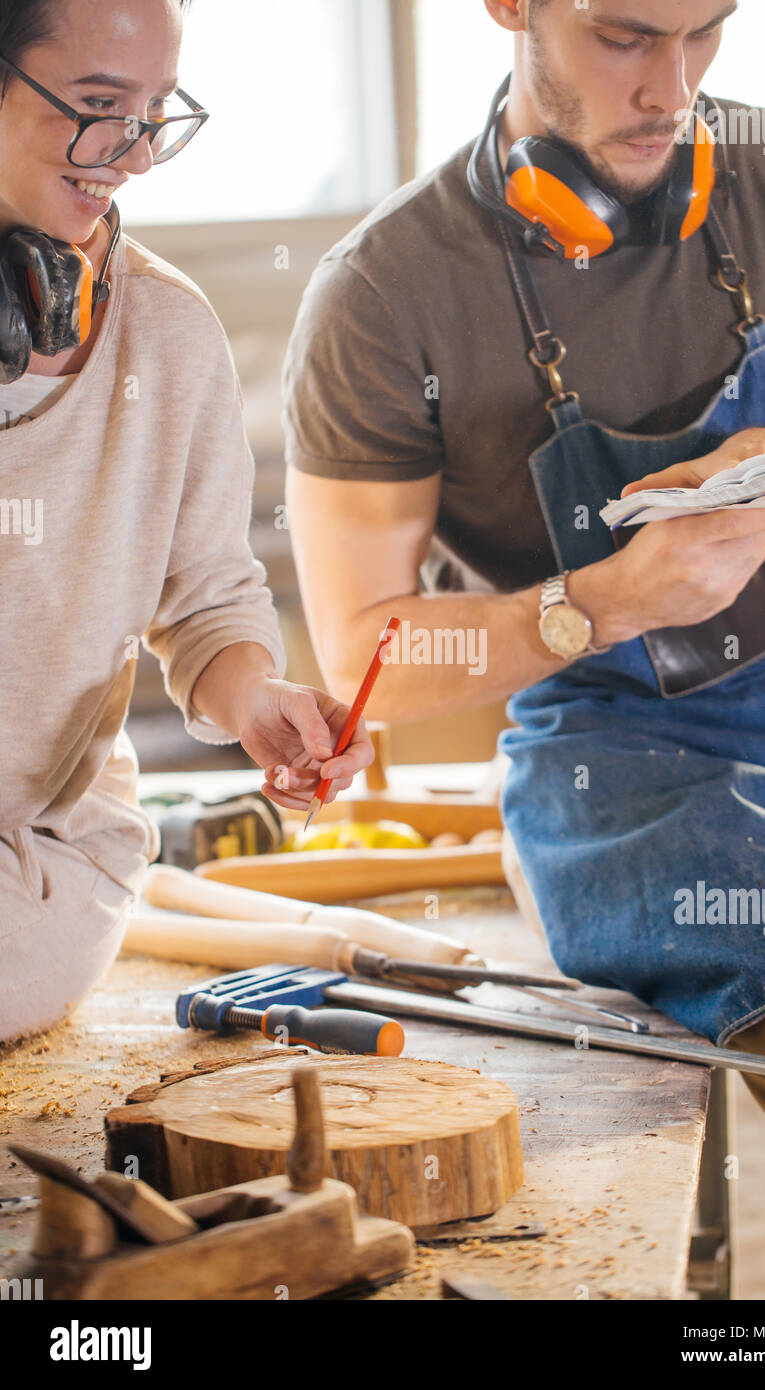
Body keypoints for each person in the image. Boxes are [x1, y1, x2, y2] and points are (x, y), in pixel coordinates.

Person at [282, 0, 765, 1298]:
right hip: (621, 774)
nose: (674, 86)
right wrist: (603, 596)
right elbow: (359, 655)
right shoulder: (388, 292)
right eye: (624, 36)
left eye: (705, 32)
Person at [0, 0, 372, 1044]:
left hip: (43, 855)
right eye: (96, 106)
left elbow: (208, 597)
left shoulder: (167, 334)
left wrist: (258, 698)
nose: (133, 156)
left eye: (156, 111)